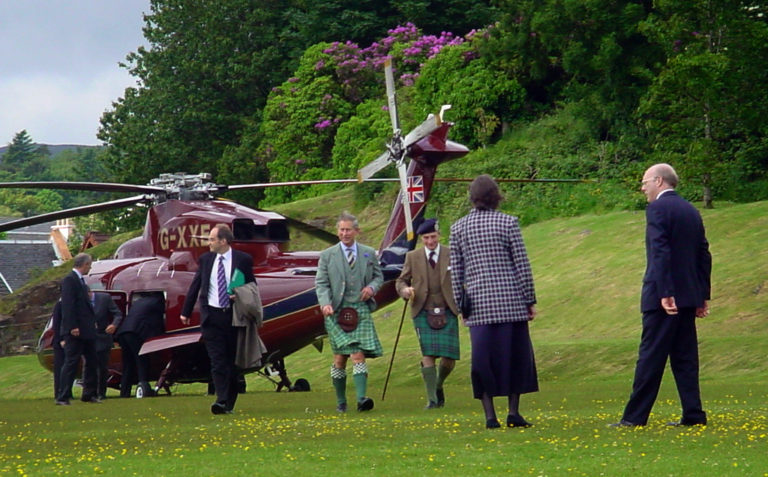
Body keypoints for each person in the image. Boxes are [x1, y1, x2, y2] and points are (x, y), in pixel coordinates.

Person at [613, 163, 711, 427]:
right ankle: (693, 414)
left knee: (650, 357)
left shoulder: (657, 209)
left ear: (658, 181)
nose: (642, 187)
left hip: (663, 298)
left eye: (645, 182)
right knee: (685, 359)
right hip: (689, 296)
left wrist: (665, 293)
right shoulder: (691, 210)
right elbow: (703, 253)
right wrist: (702, 294)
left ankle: (634, 418)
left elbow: (660, 252)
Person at [450, 175, 538, 429]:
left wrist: (460, 306)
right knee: (516, 357)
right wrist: (529, 299)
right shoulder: (509, 223)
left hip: (478, 305)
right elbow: (522, 265)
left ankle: (490, 415)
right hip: (511, 302)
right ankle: (513, 411)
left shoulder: (458, 228)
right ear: (496, 196)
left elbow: (456, 271)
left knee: (483, 361)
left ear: (472, 197)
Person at [181, 223, 256, 415]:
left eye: (212, 239)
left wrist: (239, 294)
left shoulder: (243, 259)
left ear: (223, 241)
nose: (209, 243)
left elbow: (252, 287)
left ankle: (229, 400)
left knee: (231, 362)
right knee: (217, 361)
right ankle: (221, 400)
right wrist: (186, 311)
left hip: (232, 317)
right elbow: (196, 285)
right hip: (211, 316)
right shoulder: (206, 259)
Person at [315, 212, 383, 413]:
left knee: (357, 354)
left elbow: (379, 277)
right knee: (339, 359)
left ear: (357, 231)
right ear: (338, 232)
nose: (345, 233)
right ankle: (341, 402)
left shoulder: (368, 253)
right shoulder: (327, 256)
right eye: (341, 230)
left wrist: (371, 288)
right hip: (336, 312)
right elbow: (321, 283)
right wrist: (325, 303)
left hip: (360, 309)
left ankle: (362, 399)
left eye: (348, 229)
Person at [396, 218, 460, 409]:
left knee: (449, 358)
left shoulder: (452, 253)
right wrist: (405, 290)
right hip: (422, 309)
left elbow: (462, 276)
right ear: (421, 238)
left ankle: (438, 385)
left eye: (433, 237)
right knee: (429, 353)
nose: (430, 241)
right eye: (426, 238)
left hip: (448, 308)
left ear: (439, 235)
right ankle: (432, 399)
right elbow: (401, 280)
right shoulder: (412, 257)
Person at [56, 253, 100, 405]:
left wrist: (91, 322)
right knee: (71, 362)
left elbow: (83, 306)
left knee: (92, 361)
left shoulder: (81, 282)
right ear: (85, 264)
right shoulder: (70, 280)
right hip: (76, 330)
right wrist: (72, 326)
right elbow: (68, 305)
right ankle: (63, 395)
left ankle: (89, 393)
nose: (90, 268)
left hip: (87, 329)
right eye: (89, 265)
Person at [113, 293, 164, 398]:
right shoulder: (158, 302)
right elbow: (157, 321)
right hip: (135, 333)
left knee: (128, 363)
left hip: (123, 332)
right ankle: (143, 386)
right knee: (142, 359)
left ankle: (124, 392)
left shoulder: (139, 302)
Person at [90, 289, 122, 399]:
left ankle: (101, 393)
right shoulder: (79, 301)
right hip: (88, 337)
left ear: (89, 292)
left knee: (102, 367)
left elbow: (117, 314)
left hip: (103, 336)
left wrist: (114, 325)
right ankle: (90, 392)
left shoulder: (104, 298)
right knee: (89, 365)